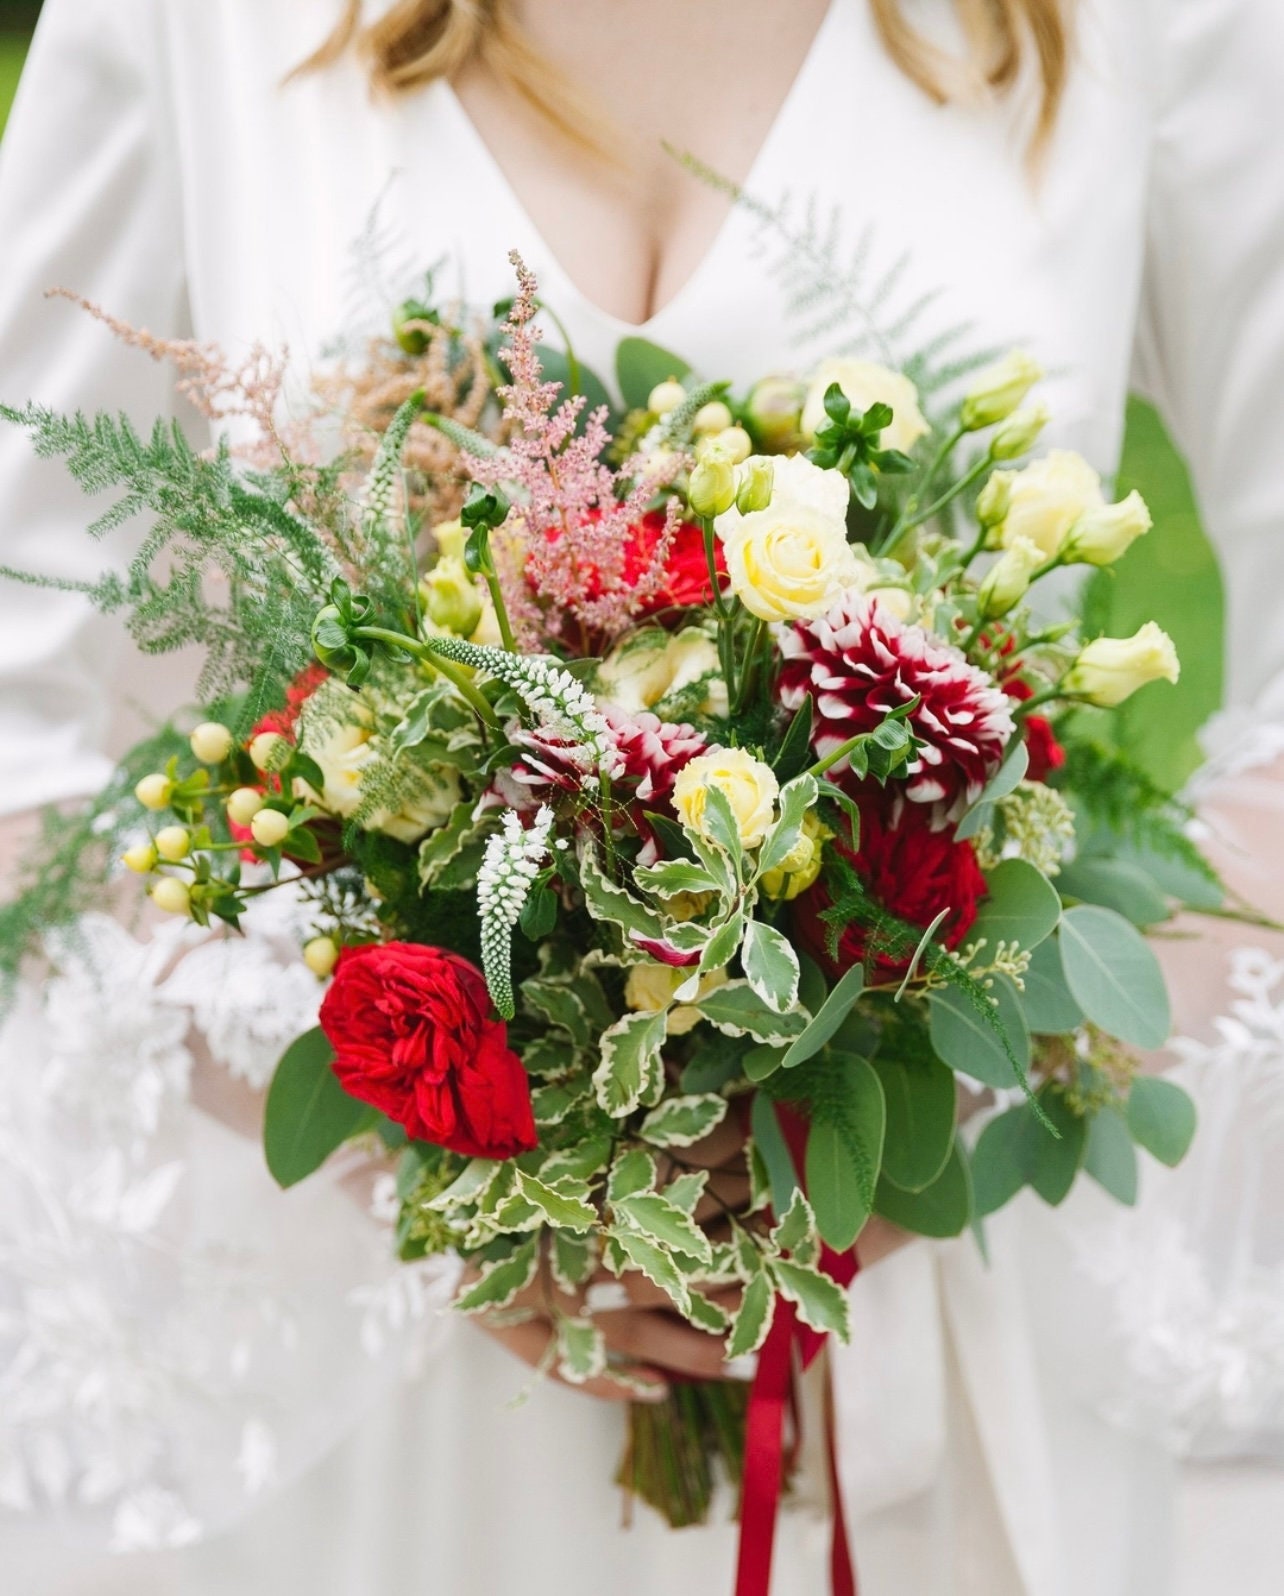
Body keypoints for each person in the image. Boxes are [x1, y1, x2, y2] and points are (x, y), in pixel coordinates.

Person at [1, 1, 1283, 1592]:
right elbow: (17, 725)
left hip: (928, 1329)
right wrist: (430, 1149)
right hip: (418, 1383)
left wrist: (976, 1069)